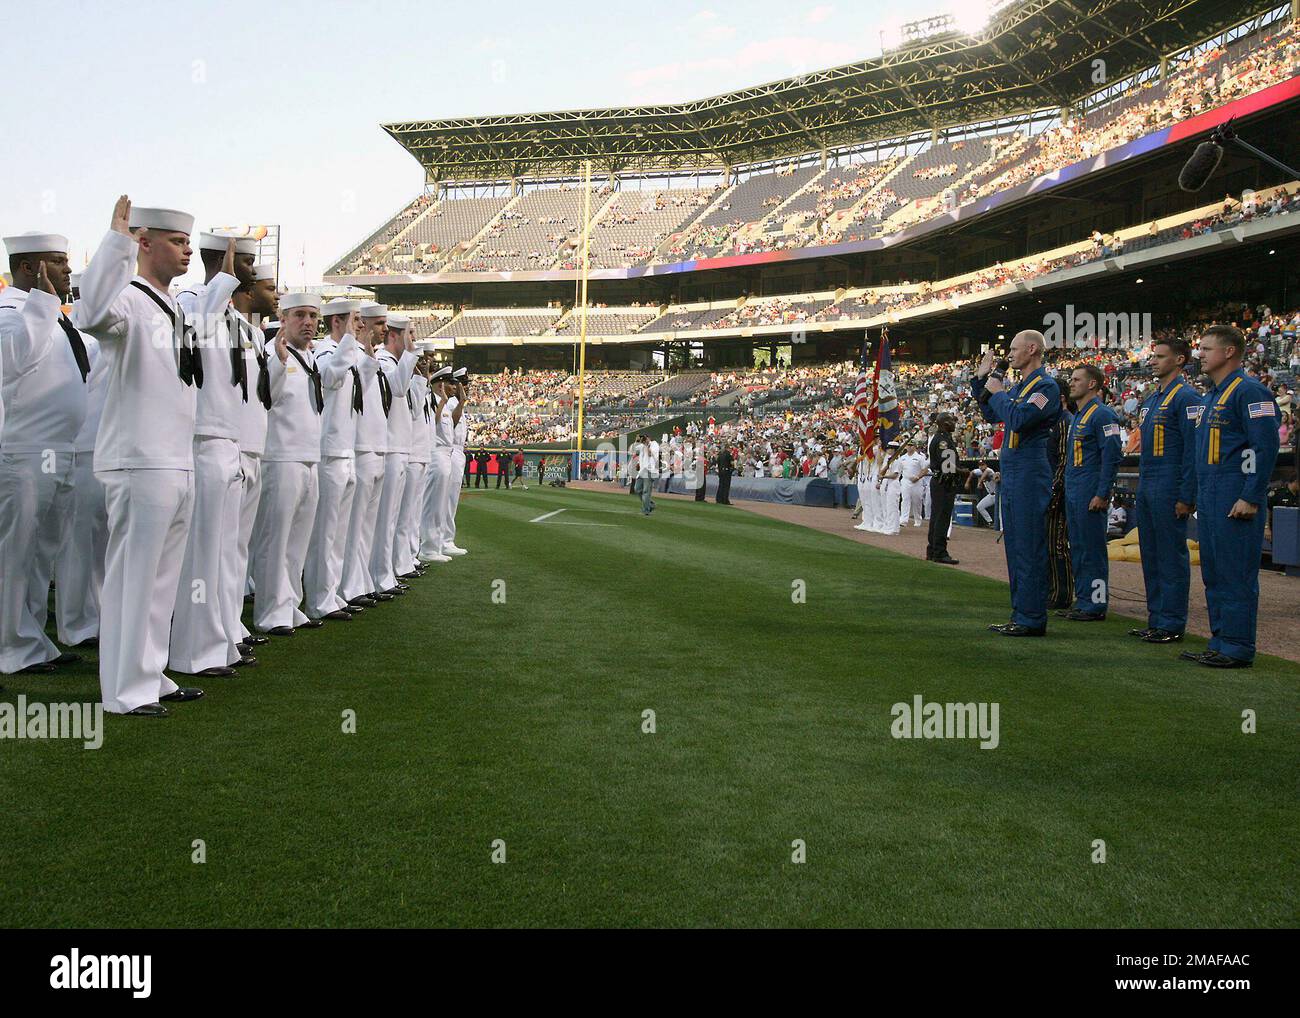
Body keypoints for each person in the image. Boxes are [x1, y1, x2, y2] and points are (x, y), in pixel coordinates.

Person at [73, 198, 207, 715]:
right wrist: (115, 243)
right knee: (133, 577)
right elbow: (91, 313)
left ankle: (149, 674)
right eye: (176, 241)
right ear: (144, 243)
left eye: (188, 243)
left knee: (161, 579)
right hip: (140, 459)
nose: (186, 250)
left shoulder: (171, 305)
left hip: (174, 458)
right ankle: (124, 690)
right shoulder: (127, 298)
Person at [0, 231, 93, 676]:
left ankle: (32, 641)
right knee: (16, 554)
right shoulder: (11, 310)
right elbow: (16, 360)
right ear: (29, 268)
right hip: (26, 449)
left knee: (41, 554)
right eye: (57, 261)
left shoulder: (53, 315)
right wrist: (42, 305)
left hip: (61, 448)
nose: (68, 268)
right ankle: (11, 647)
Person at [168, 234, 251, 677]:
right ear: (224, 261)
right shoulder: (190, 298)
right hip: (201, 439)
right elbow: (193, 337)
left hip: (227, 439)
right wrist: (221, 284)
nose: (252, 270)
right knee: (201, 556)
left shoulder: (228, 311)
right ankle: (191, 651)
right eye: (245, 261)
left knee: (220, 554)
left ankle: (217, 641)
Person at [1181, 324, 1281, 668]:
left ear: (1229, 352)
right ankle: (1220, 641)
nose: (1200, 355)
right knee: (1215, 573)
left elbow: (1264, 447)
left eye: (1206, 349)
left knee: (1236, 573)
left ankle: (1237, 647)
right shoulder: (1209, 396)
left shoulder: (1251, 392)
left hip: (1234, 492)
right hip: (1210, 495)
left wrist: (1251, 495)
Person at [972, 331, 1062, 637]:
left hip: (1029, 472)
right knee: (1015, 546)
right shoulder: (1023, 387)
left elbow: (1019, 419)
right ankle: (1021, 613)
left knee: (1028, 546)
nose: (1009, 355)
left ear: (1032, 349)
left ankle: (1032, 617)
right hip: (1014, 473)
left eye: (1014, 348)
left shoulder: (1046, 387)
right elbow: (991, 413)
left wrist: (998, 392)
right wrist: (981, 381)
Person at [253, 292, 332, 636]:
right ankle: (271, 610)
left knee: (297, 541)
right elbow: (263, 397)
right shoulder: (274, 352)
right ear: (283, 319)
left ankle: (290, 603)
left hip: (308, 457)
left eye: (313, 316)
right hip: (281, 456)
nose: (309, 322)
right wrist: (277, 362)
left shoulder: (310, 357)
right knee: (276, 539)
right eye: (300, 314)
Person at [1131, 339, 1199, 643]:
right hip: (1148, 483)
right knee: (1151, 554)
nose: (1153, 361)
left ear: (1180, 360)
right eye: (1153, 356)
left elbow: (1192, 449)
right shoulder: (1151, 399)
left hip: (1170, 484)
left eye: (1161, 356)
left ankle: (1171, 623)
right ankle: (1156, 618)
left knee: (1171, 556)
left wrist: (1187, 495)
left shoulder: (1186, 397)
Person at [302, 299, 364, 623]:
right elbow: (330, 378)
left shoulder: (346, 351)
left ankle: (331, 593)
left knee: (337, 534)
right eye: (354, 319)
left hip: (345, 450)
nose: (360, 325)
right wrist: (350, 339)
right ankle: (317, 600)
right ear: (338, 321)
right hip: (329, 452)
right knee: (324, 533)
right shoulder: (327, 351)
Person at [230, 266, 277, 652]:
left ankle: (228, 626)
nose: (276, 294)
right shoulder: (217, 322)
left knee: (236, 547)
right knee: (220, 549)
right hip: (229, 445)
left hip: (251, 446)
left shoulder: (253, 334)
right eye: (269, 287)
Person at [1059, 365, 1122, 621]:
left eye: (1077, 380)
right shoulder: (1078, 416)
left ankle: (1095, 604)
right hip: (1074, 490)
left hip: (1090, 491)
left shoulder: (1103, 415)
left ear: (1093, 384)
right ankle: (1083, 599)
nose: (1071, 384)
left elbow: (1112, 455)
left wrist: (1102, 493)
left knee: (1093, 550)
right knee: (1079, 547)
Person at [370, 313, 418, 596]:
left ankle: (384, 573)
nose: (412, 340)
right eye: (409, 334)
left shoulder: (394, 364)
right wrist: (410, 357)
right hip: (388, 447)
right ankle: (380, 575)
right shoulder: (384, 362)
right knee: (383, 520)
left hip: (399, 447)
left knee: (391, 518)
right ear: (394, 336)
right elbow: (398, 389)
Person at [1045, 382, 1074, 610]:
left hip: (1059, 492)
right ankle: (1051, 589)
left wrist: (1055, 490)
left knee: (1057, 544)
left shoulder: (1065, 421)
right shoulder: (1052, 421)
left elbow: (1064, 460)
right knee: (1048, 543)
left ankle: (1061, 594)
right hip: (1049, 489)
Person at [925, 413, 962, 564]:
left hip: (939, 481)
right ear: (946, 423)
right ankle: (940, 552)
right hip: (944, 482)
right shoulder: (943, 440)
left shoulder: (941, 438)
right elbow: (948, 466)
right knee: (942, 517)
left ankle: (933, 550)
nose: (955, 423)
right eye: (952, 421)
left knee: (936, 517)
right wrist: (963, 471)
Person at [898, 442, 929, 526]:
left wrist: (918, 477)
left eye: (911, 445)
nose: (909, 447)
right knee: (905, 500)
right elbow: (899, 471)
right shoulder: (902, 458)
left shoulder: (920, 458)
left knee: (917, 501)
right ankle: (903, 520)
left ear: (915, 447)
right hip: (905, 480)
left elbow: (925, 470)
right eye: (908, 445)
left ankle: (918, 519)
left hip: (917, 481)